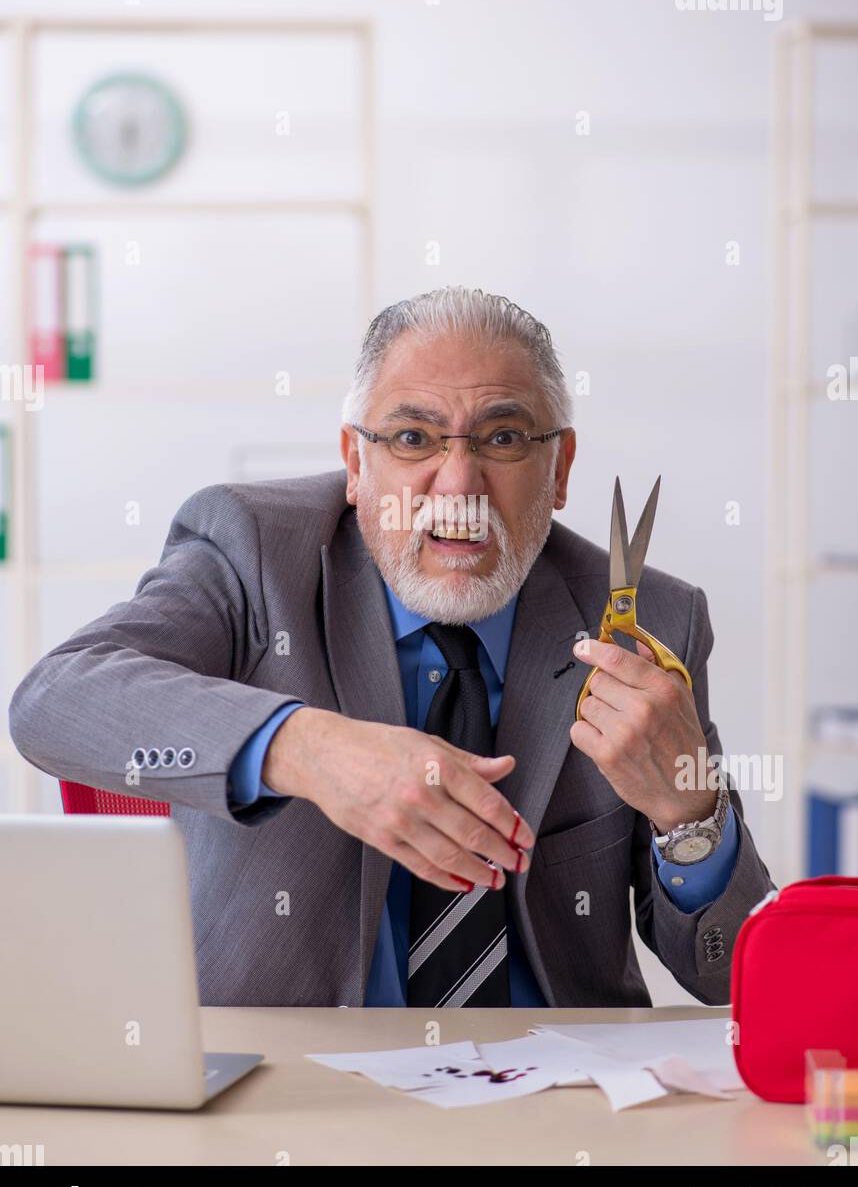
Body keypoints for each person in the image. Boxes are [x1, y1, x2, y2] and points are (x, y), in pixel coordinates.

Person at [9, 286, 774, 1007]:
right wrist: (307, 748)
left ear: (560, 468)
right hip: (283, 1086)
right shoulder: (252, 550)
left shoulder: (651, 621)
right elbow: (58, 698)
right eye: (412, 438)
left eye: (503, 438)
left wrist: (689, 811)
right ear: (354, 463)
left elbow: (732, 975)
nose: (457, 484)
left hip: (555, 1098)